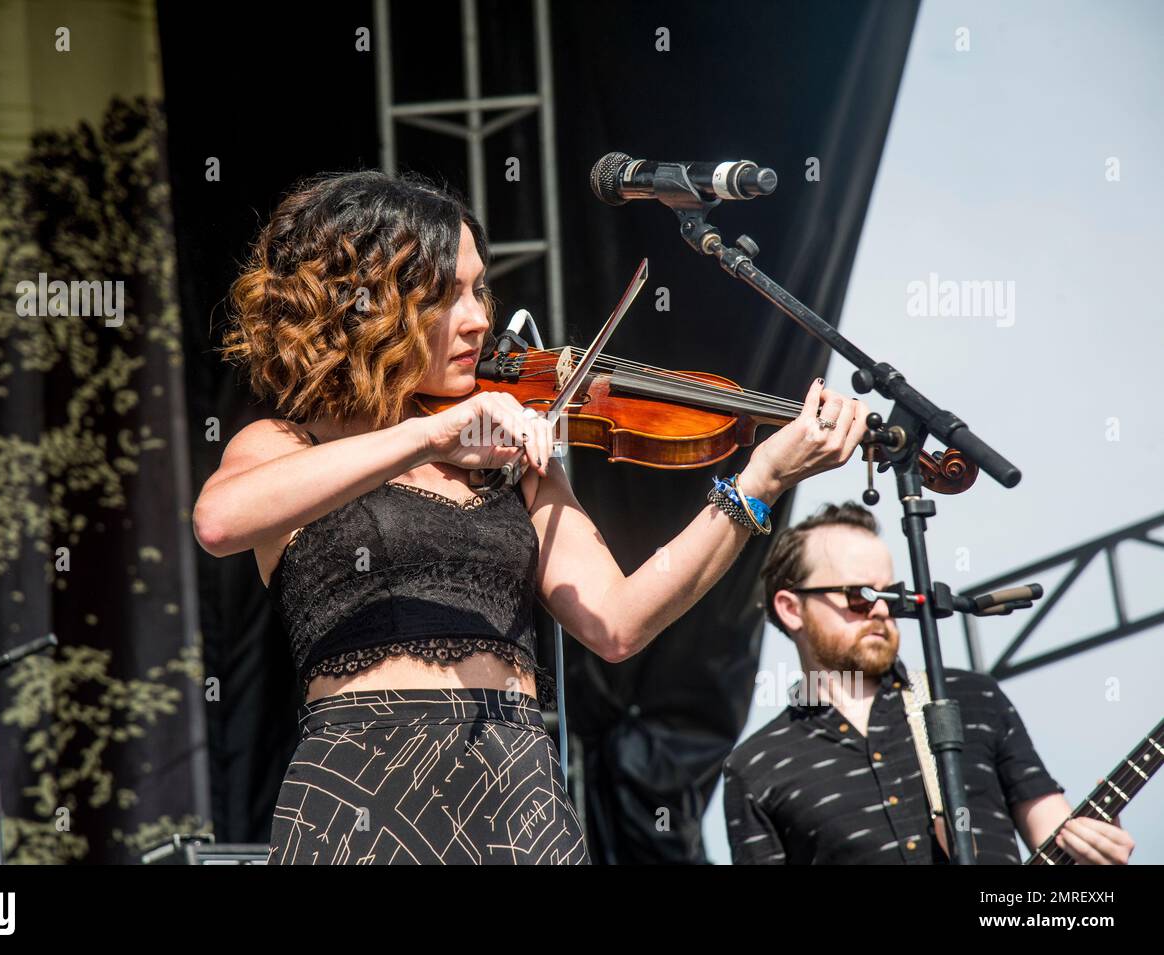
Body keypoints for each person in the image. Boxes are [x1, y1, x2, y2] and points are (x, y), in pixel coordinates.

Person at [193, 169, 870, 865]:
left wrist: (758, 482)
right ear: (369, 308)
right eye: (445, 295)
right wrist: (429, 434)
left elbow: (618, 621)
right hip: (365, 789)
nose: (480, 318)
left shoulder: (512, 463)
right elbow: (218, 521)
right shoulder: (290, 444)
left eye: (478, 287)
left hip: (517, 796)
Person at [723, 502, 1136, 865]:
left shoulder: (972, 697)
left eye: (892, 594)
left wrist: (1095, 861)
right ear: (791, 609)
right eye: (861, 595)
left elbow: (1056, 843)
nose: (883, 610)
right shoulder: (755, 768)